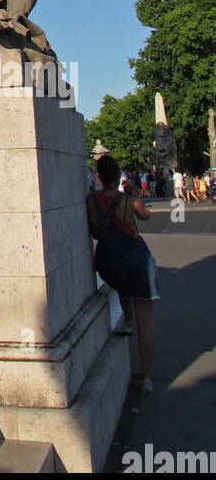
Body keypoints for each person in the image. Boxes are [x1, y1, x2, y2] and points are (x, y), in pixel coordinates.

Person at [86, 153, 158, 392]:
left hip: (110, 261)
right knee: (146, 320)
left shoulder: (91, 200)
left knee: (122, 284)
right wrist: (135, 196)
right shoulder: (128, 200)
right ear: (118, 176)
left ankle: (127, 320)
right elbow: (146, 216)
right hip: (136, 259)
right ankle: (145, 376)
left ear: (99, 176)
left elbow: (96, 232)